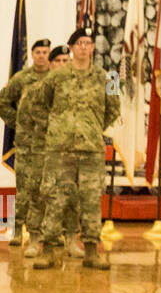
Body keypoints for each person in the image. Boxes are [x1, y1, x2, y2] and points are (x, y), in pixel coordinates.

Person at [29, 27, 116, 270]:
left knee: (90, 201)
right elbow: (38, 104)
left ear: (93, 47)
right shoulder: (55, 77)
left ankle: (91, 251)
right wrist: (56, 127)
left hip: (91, 150)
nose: (84, 47)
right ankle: (48, 251)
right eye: (79, 43)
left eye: (88, 43)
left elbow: (114, 108)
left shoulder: (108, 78)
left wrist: (93, 126)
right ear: (71, 47)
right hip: (60, 150)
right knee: (55, 200)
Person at [0, 38, 52, 248]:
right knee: (24, 190)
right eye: (38, 52)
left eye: (45, 52)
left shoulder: (54, 78)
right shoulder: (21, 78)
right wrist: (18, 122)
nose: (41, 56)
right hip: (26, 146)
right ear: (32, 54)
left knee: (45, 190)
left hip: (48, 145)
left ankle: (41, 231)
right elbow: (0, 104)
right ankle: (18, 229)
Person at [20, 44, 70, 258]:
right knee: (38, 194)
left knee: (68, 195)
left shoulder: (76, 87)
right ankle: (34, 239)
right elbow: (25, 116)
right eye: (57, 61)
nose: (61, 65)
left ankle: (65, 237)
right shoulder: (38, 88)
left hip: (69, 150)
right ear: (50, 63)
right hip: (42, 149)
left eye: (65, 61)